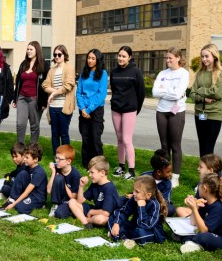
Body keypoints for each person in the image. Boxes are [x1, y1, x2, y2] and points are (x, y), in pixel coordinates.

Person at [152, 47, 190, 187]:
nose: (167, 60)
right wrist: (170, 92)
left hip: (177, 111)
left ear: (178, 58)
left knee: (175, 145)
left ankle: (175, 176)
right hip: (161, 111)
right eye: (166, 58)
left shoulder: (183, 74)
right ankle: (165, 173)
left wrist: (164, 91)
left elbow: (177, 94)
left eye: (170, 58)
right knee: (164, 145)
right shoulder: (162, 73)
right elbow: (154, 92)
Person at [179, 173, 222, 253]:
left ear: (204, 188)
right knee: (190, 230)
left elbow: (204, 230)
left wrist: (194, 209)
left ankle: (190, 241)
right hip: (212, 233)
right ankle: (190, 242)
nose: (198, 188)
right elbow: (193, 223)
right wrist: (195, 208)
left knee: (203, 236)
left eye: (199, 186)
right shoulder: (205, 201)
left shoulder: (218, 207)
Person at [109, 46, 146, 180]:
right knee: (119, 139)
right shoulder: (114, 72)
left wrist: (136, 109)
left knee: (126, 140)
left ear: (129, 57)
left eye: (124, 56)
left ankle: (131, 170)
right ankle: (121, 166)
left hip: (129, 110)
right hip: (116, 109)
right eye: (119, 55)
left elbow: (141, 93)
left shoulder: (136, 72)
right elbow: (114, 90)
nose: (120, 58)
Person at [191, 43, 222, 157]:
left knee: (208, 148)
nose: (204, 59)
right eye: (202, 56)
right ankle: (204, 174)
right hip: (199, 114)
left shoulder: (221, 72)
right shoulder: (200, 73)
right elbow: (193, 94)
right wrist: (203, 99)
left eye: (207, 56)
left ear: (214, 56)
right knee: (202, 148)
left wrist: (201, 90)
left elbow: (218, 93)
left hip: (214, 114)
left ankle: (211, 173)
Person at [109, 175, 168, 246]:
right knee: (113, 218)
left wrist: (141, 207)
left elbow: (147, 225)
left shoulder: (154, 205)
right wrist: (116, 224)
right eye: (134, 190)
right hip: (134, 226)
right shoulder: (134, 199)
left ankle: (119, 236)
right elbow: (123, 212)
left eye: (137, 192)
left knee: (139, 232)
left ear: (148, 195)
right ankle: (125, 239)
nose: (133, 193)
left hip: (148, 230)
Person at [76, 48, 108, 168]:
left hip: (96, 111)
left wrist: (89, 109)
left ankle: (99, 165)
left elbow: (101, 94)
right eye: (89, 58)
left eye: (93, 58)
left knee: (95, 139)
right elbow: (79, 92)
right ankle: (86, 165)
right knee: (86, 139)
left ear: (98, 60)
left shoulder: (103, 74)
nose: (90, 60)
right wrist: (83, 108)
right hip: (83, 110)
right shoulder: (84, 73)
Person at [42, 44, 76, 156]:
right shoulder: (52, 70)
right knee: (55, 134)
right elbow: (44, 85)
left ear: (64, 55)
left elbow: (68, 86)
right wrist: (55, 91)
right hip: (53, 107)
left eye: (59, 54)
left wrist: (53, 93)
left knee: (64, 133)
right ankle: (57, 157)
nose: (57, 56)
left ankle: (66, 157)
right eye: (55, 54)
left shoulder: (69, 68)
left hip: (64, 107)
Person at [69, 155, 121, 230]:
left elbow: (106, 212)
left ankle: (87, 220)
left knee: (100, 219)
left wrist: (91, 211)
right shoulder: (94, 184)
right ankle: (86, 223)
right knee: (72, 202)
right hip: (97, 210)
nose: (90, 175)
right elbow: (79, 201)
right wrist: (81, 186)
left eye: (92, 172)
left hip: (108, 215)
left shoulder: (109, 188)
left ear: (102, 173)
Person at [12, 41, 48, 145]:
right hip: (22, 98)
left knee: (34, 125)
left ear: (37, 50)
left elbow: (46, 83)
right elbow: (18, 81)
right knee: (20, 124)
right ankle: (20, 147)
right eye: (27, 49)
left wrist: (44, 102)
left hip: (35, 99)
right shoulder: (24, 64)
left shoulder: (44, 65)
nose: (28, 51)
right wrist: (15, 99)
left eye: (31, 49)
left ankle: (33, 148)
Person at [4, 143, 48, 215]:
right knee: (22, 173)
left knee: (19, 207)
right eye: (24, 157)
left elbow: (27, 192)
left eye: (27, 158)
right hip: (29, 193)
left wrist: (13, 204)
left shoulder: (39, 172)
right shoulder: (27, 167)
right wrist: (10, 198)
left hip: (37, 197)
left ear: (35, 159)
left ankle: (41, 205)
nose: (24, 159)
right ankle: (12, 199)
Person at [175, 153, 222, 218]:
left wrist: (195, 207)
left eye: (201, 167)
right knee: (179, 210)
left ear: (210, 171)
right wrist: (193, 201)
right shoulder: (202, 181)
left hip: (214, 215)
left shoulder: (220, 185)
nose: (198, 169)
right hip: (203, 211)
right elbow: (199, 201)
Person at [47, 144, 81, 218]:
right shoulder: (57, 169)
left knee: (60, 214)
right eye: (56, 158)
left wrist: (63, 182)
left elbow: (73, 197)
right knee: (58, 178)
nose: (56, 160)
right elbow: (49, 190)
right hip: (58, 199)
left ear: (68, 161)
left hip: (69, 201)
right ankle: (55, 205)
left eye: (59, 159)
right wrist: (53, 173)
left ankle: (67, 210)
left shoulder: (75, 175)